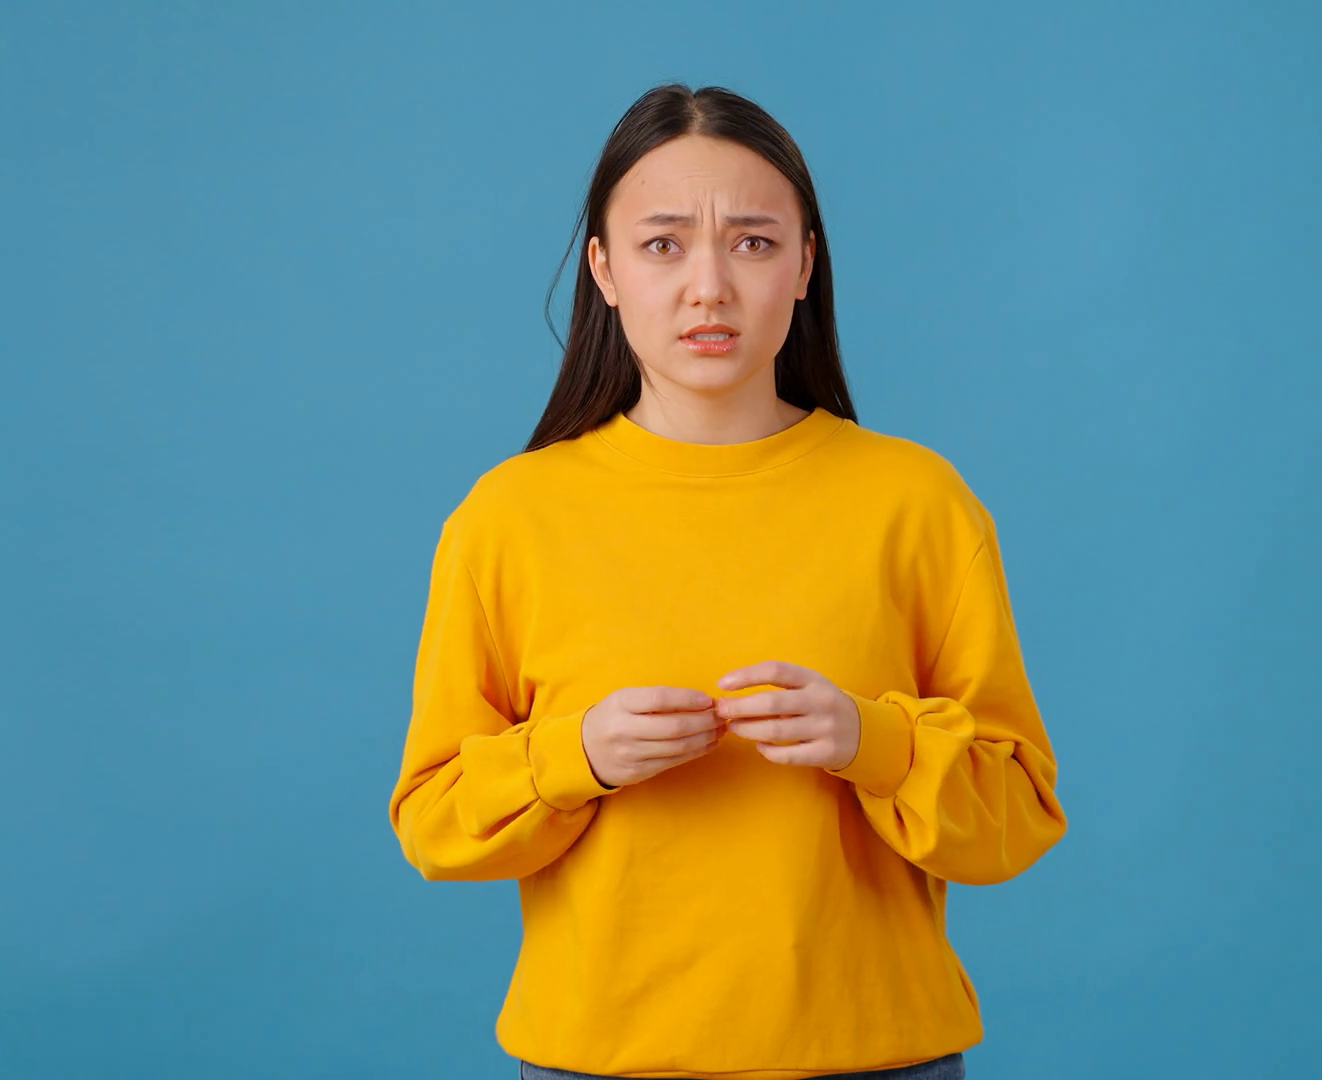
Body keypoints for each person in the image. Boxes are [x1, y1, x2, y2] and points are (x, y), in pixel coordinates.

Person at [389, 83, 1067, 1080]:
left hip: (878, 1058)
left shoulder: (917, 502)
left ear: (804, 266)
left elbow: (1018, 815)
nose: (708, 287)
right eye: (664, 244)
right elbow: (435, 822)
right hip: (600, 1061)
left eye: (752, 242)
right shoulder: (508, 518)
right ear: (604, 269)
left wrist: (872, 741)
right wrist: (576, 756)